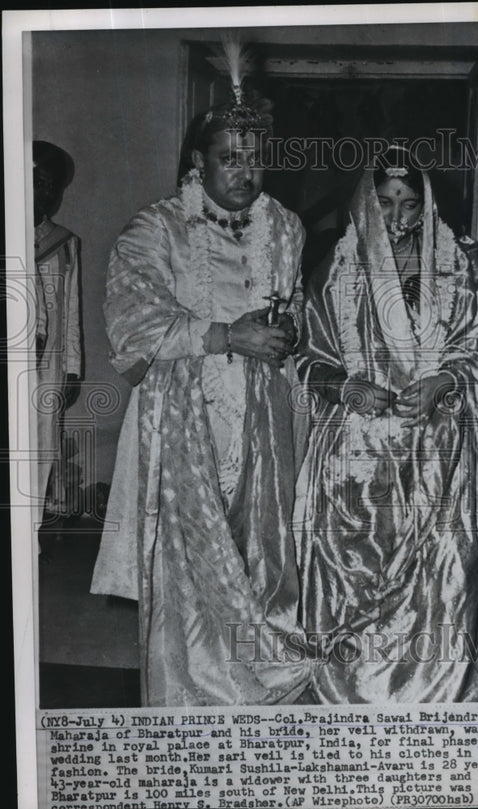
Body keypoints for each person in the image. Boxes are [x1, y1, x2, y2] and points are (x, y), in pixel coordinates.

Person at [293, 145, 478, 703]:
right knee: (355, 571)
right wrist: (348, 387)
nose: (397, 218)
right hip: (357, 450)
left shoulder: (466, 267)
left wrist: (443, 381)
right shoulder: (335, 268)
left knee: (447, 569)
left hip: (440, 447)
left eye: (410, 204)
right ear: (365, 202)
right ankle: (357, 690)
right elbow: (311, 360)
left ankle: (437, 690)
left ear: (428, 203)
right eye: (384, 203)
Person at [90, 87, 312, 706]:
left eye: (255, 159)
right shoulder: (157, 227)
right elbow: (133, 318)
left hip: (265, 408)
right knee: (183, 563)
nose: (245, 172)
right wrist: (223, 334)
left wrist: (287, 331)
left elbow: (294, 308)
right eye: (228, 159)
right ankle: (187, 697)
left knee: (261, 549)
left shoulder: (285, 226)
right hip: (183, 409)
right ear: (198, 162)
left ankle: (255, 681)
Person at [33, 140, 82, 532]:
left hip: (48, 363)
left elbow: (71, 311)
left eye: (54, 187)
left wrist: (72, 369)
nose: (47, 194)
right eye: (40, 182)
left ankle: (30, 535)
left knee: (40, 447)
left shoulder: (65, 242)